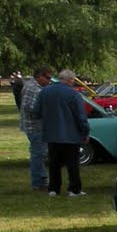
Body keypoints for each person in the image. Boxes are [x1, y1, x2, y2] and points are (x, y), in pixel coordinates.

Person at [33, 67, 89, 197]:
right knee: (72, 164)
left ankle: (53, 189)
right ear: (70, 80)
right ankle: (74, 189)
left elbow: (36, 111)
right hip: (71, 134)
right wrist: (85, 132)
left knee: (54, 163)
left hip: (51, 134)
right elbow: (81, 116)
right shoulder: (73, 94)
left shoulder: (44, 92)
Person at [18, 66, 48, 191]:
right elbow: (27, 107)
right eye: (47, 77)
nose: (49, 80)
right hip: (34, 126)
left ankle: (40, 179)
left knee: (40, 153)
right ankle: (38, 182)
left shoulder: (37, 87)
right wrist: (45, 111)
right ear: (39, 76)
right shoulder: (32, 88)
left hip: (36, 126)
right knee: (37, 153)